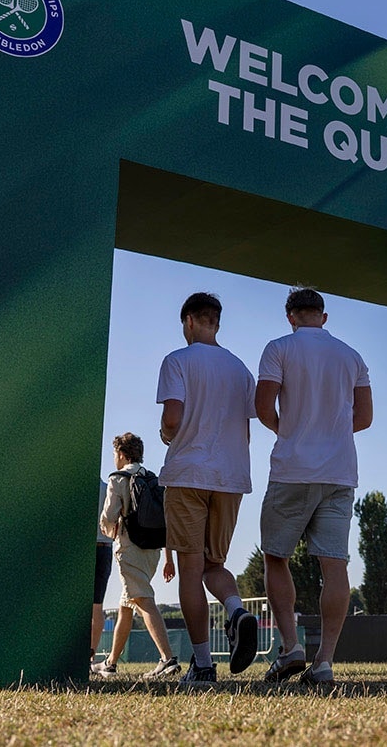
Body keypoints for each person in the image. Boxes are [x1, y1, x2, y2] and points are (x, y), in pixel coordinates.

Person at [255, 287, 372, 685]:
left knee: (275, 556)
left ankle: (291, 648)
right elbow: (366, 417)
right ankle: (324, 662)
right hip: (340, 471)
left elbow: (262, 406)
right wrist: (332, 431)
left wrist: (286, 430)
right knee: (334, 564)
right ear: (324, 316)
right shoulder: (351, 355)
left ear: (290, 316)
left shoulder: (278, 348)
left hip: (292, 468)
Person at [156, 292, 260, 684]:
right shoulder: (239, 369)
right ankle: (236, 610)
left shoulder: (177, 361)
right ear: (216, 322)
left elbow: (171, 419)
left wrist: (168, 437)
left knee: (190, 570)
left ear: (188, 322)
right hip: (231, 479)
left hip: (187, 475)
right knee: (214, 566)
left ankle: (201, 665)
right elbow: (246, 429)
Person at [93, 433, 180, 678]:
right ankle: (110, 663)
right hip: (152, 549)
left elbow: (109, 516)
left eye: (114, 453)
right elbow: (165, 519)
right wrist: (168, 558)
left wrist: (108, 531)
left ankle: (167, 659)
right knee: (126, 606)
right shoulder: (151, 478)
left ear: (121, 453)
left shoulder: (118, 479)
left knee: (142, 599)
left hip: (129, 548)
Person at [91, 479, 112, 666]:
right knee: (97, 605)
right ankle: (91, 655)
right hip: (105, 547)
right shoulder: (107, 488)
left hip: (84, 549)